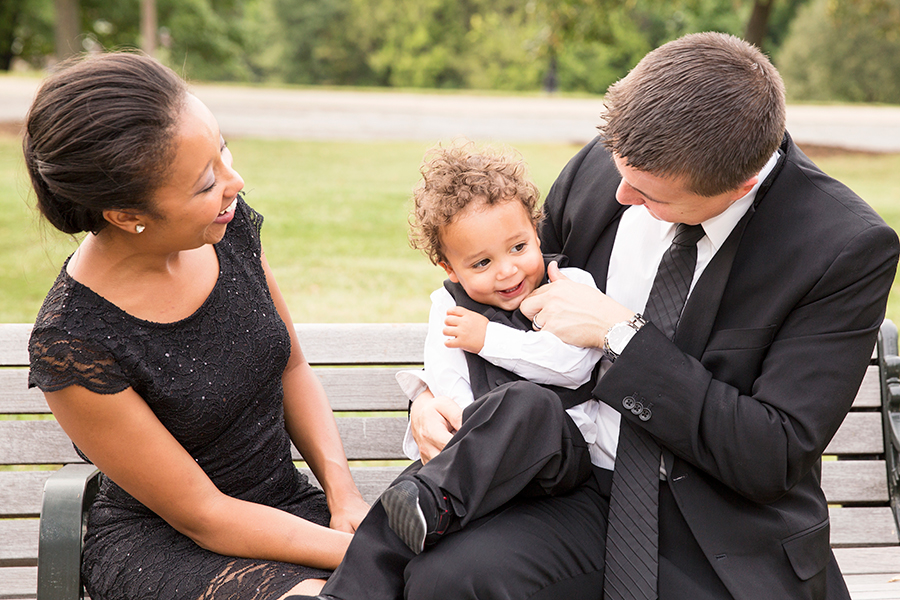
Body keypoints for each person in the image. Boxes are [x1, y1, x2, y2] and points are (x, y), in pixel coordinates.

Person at [404, 32, 900, 600]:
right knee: (442, 579)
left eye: (650, 195)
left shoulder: (842, 246)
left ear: (740, 185)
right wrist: (427, 395)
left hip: (721, 530)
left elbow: (772, 454)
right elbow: (494, 297)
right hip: (573, 491)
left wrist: (620, 336)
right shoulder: (607, 166)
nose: (621, 196)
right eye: (620, 170)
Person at [24, 51, 369, 600]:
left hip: (287, 513)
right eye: (206, 182)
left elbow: (292, 367)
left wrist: (344, 495)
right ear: (126, 215)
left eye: (222, 149)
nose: (235, 181)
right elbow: (205, 516)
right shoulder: (73, 342)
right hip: (170, 545)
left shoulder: (225, 227)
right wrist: (370, 551)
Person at [286, 143, 609, 600]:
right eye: (482, 263)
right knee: (407, 496)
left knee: (528, 402)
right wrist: (457, 432)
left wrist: (488, 339)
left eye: (518, 247)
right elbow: (447, 384)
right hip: (476, 470)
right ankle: (344, 594)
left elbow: (573, 366)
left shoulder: (569, 286)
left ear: (537, 233)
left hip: (559, 456)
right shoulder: (448, 307)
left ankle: (434, 499)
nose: (507, 271)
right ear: (449, 268)